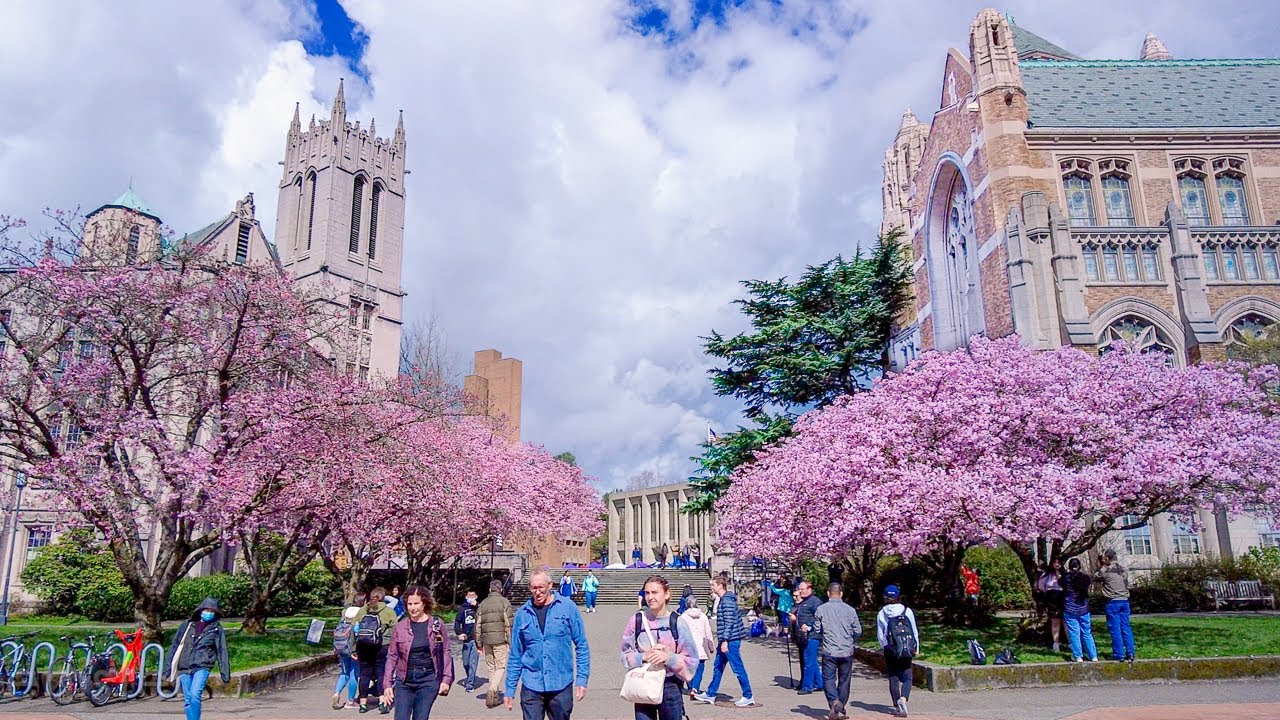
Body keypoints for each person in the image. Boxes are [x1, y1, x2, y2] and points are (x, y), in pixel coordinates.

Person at [504, 569, 591, 720]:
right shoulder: (522, 614)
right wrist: (510, 689)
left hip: (561, 683)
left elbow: (582, 645)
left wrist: (582, 680)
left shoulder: (568, 607)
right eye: (533, 588)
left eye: (541, 587)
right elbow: (515, 654)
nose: (537, 592)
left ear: (550, 585)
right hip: (532, 684)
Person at [620, 576, 699, 720]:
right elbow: (625, 654)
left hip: (670, 685)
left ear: (667, 594)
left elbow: (692, 661)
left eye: (655, 592)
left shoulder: (678, 622)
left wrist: (670, 658)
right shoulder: (637, 620)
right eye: (647, 593)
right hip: (644, 682)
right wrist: (642, 657)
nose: (650, 597)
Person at [382, 586, 453, 720]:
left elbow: (446, 652)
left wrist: (446, 679)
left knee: (420, 717)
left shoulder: (436, 625)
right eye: (409, 604)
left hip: (428, 680)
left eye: (416, 603)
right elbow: (392, 656)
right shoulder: (400, 627)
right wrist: (387, 684)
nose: (412, 608)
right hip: (404, 682)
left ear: (424, 603)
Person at [693, 577, 753, 707]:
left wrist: (725, 640)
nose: (711, 587)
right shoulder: (724, 600)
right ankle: (711, 694)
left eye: (713, 584)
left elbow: (729, 622)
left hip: (730, 640)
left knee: (737, 668)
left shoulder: (727, 601)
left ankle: (748, 695)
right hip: (726, 639)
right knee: (718, 667)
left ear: (720, 585)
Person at [167, 597, 231, 720]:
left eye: (212, 611)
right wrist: (168, 668)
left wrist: (225, 674)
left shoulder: (216, 629)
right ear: (200, 610)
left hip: (202, 666)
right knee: (188, 699)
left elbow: (222, 651)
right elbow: (175, 646)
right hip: (184, 666)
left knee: (195, 694)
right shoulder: (187, 625)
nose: (209, 613)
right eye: (207, 610)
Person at [814, 583, 861, 720]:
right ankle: (840, 705)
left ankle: (834, 701)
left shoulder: (821, 609)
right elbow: (858, 630)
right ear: (841, 593)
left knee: (828, 678)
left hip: (830, 650)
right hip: (847, 650)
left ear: (828, 594)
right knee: (844, 680)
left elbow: (817, 630)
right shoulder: (850, 610)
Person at [354, 586, 401, 713]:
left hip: (363, 646)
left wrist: (353, 649)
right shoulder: (388, 611)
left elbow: (354, 628)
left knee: (364, 674)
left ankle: (363, 705)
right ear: (383, 598)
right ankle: (382, 702)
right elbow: (395, 630)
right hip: (382, 646)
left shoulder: (363, 610)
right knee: (381, 674)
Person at [876, 585, 918, 718]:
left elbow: (880, 634)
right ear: (898, 596)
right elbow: (913, 629)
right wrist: (916, 646)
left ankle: (896, 705)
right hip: (906, 646)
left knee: (893, 676)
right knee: (907, 676)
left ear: (885, 597)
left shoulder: (882, 613)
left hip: (891, 648)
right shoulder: (907, 611)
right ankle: (904, 698)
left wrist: (885, 646)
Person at [478, 579, 515, 708]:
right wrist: (511, 642)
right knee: (501, 666)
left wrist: (478, 642)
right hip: (500, 640)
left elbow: (477, 625)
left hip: (487, 640)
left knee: (491, 667)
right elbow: (508, 624)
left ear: (490, 589)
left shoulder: (483, 604)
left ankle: (493, 696)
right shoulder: (504, 602)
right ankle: (492, 690)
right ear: (500, 589)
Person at [1096, 549, 1136, 662]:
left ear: (1107, 558)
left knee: (1115, 629)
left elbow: (1096, 576)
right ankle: (1130, 652)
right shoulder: (1122, 570)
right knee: (1126, 627)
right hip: (1124, 601)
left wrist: (1102, 564)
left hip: (1113, 602)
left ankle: (1119, 654)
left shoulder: (1106, 570)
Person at [1062, 558, 1098, 662]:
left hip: (1070, 608)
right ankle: (1093, 655)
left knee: (1074, 633)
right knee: (1087, 632)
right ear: (1079, 566)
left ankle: (1078, 656)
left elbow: (1061, 585)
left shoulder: (1066, 578)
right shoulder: (1085, 578)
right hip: (1083, 608)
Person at [792, 579, 823, 694]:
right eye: (799, 589)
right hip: (803, 635)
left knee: (808, 661)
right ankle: (819, 683)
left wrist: (809, 626)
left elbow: (819, 618)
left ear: (809, 589)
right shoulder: (803, 601)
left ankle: (807, 686)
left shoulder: (815, 602)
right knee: (812, 660)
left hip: (812, 635)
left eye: (802, 589)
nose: (800, 591)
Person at [681, 596, 714, 700]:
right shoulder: (703, 616)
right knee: (699, 669)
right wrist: (711, 645)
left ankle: (691, 687)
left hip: (688, 647)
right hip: (701, 646)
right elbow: (708, 632)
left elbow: (680, 633)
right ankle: (695, 688)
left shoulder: (683, 617)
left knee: (688, 668)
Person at [333, 606, 362, 709]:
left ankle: (336, 693)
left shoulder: (341, 624)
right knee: (354, 674)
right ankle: (350, 701)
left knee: (344, 673)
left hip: (341, 651)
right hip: (353, 652)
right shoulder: (356, 625)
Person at [1036, 559, 1065, 652]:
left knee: (1066, 622)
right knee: (1055, 622)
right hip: (1051, 599)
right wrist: (1048, 592)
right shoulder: (1047, 575)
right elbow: (1040, 585)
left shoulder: (1064, 574)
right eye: (1055, 562)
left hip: (1062, 598)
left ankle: (1071, 643)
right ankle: (1056, 644)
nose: (1057, 564)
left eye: (1059, 562)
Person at [454, 589, 480, 692]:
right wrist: (460, 633)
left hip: (476, 638)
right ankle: (470, 676)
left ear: (476, 597)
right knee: (466, 663)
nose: (471, 598)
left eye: (473, 596)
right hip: (466, 639)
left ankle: (470, 684)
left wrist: (476, 606)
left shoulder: (479, 608)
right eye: (469, 596)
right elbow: (457, 622)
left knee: (473, 662)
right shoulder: (462, 609)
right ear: (466, 597)